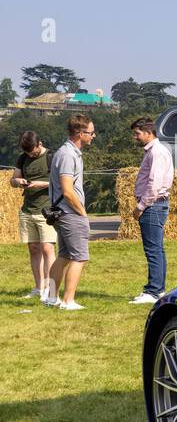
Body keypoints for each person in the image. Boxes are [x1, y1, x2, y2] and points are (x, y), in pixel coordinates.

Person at [45, 114, 95, 311]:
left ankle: (51, 297)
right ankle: (68, 301)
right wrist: (82, 212)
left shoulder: (67, 152)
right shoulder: (67, 155)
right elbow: (67, 190)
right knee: (79, 257)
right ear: (80, 133)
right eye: (91, 133)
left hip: (62, 213)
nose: (94, 136)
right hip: (70, 213)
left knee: (64, 255)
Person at [129, 117, 174, 303]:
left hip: (152, 205)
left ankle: (154, 291)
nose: (135, 137)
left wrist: (141, 207)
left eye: (137, 134)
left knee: (153, 249)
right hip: (155, 204)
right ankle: (157, 289)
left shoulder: (156, 152)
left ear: (148, 133)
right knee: (157, 249)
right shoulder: (156, 151)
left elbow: (154, 184)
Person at [10, 131, 56, 300]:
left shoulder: (52, 157)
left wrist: (41, 184)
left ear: (40, 143)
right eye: (28, 153)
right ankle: (39, 287)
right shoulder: (22, 158)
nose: (31, 155)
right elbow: (13, 180)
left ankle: (51, 289)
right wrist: (18, 181)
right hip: (27, 210)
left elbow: (62, 181)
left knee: (47, 248)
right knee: (34, 249)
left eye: (33, 152)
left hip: (47, 210)